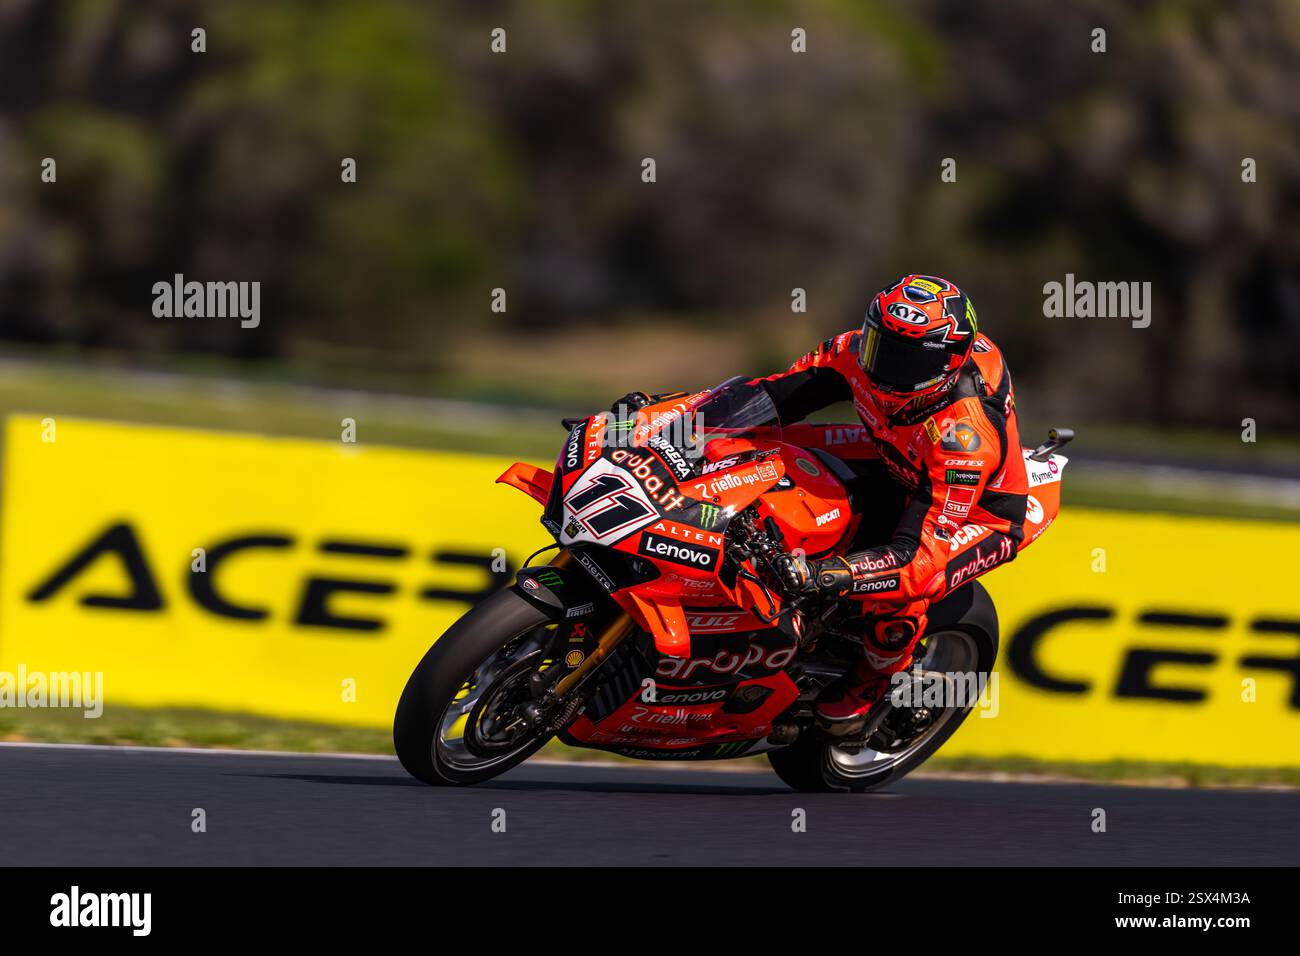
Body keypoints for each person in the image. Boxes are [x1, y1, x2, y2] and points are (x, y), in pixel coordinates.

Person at [754, 275, 1028, 732]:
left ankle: (874, 681)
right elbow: (771, 396)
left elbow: (915, 562)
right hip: (896, 450)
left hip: (979, 513)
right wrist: (676, 418)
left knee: (906, 589)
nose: (883, 368)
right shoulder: (854, 351)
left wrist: (828, 575)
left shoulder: (965, 437)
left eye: (905, 360)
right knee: (770, 443)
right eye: (881, 344)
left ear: (946, 365)